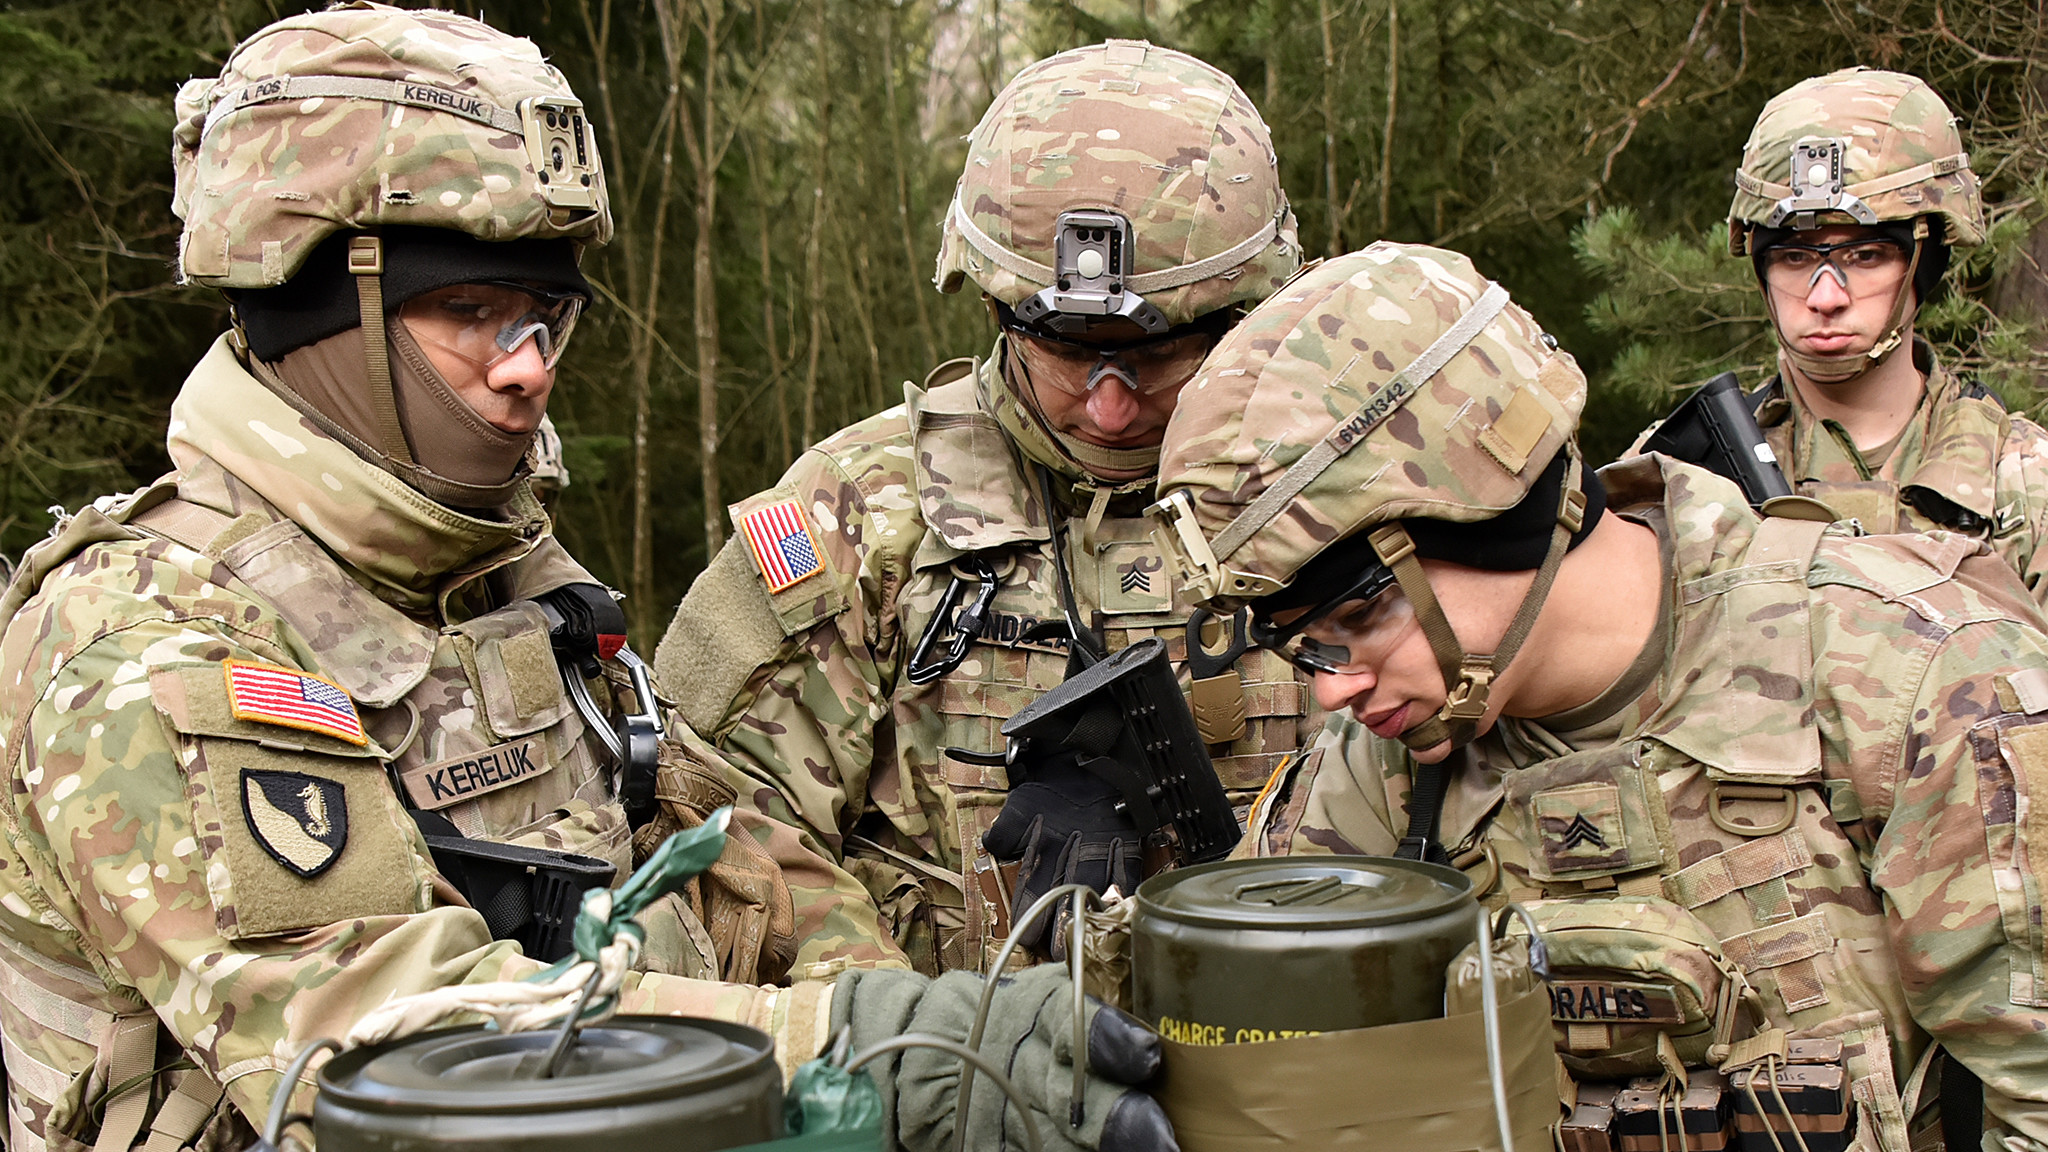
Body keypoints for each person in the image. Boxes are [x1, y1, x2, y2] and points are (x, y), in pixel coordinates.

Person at [0, 7, 1170, 1150]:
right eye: (470, 313)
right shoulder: (145, 643)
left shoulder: (511, 581)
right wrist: (857, 1046)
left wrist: (902, 1009)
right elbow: (388, 1058)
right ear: (321, 310)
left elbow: (742, 855)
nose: (528, 372)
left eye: (547, 319)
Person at [1146, 241, 2048, 1152]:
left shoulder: (1911, 678)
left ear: (1492, 515)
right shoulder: (1381, 767)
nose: (1334, 689)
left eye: (1361, 616)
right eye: (1303, 648)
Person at [655, 40, 1311, 975]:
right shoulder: (865, 512)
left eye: (1159, 357)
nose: (1110, 404)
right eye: (1064, 352)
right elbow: (713, 810)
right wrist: (915, 1027)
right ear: (997, 307)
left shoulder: (1333, 491)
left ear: (1250, 310)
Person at [1648, 67, 2048, 601]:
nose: (1825, 297)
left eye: (1865, 256)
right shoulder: (1683, 472)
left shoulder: (2024, 487)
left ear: (1924, 264)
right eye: (1793, 257)